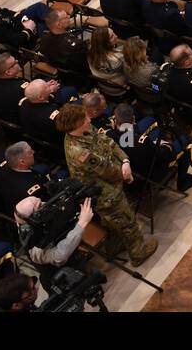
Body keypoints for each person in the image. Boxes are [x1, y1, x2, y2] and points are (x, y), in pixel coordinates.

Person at [57, 103, 158, 266]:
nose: (89, 119)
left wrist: (125, 160)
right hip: (105, 193)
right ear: (75, 124)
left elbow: (107, 141)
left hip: (111, 180)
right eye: (85, 118)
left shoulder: (84, 130)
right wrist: (125, 174)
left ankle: (116, 245)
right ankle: (138, 253)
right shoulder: (78, 151)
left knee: (113, 222)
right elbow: (107, 170)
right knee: (126, 222)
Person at [15, 195, 92, 267]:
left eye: (41, 201)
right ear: (33, 219)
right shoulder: (33, 247)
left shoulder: (34, 222)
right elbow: (60, 257)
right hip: (66, 271)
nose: (45, 204)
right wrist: (82, 223)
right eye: (40, 206)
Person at [38, 8, 90, 76]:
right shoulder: (78, 46)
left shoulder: (43, 39)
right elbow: (86, 65)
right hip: (77, 77)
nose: (69, 17)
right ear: (59, 25)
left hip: (59, 71)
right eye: (66, 17)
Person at [87, 28, 128, 100]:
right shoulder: (118, 59)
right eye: (112, 36)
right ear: (105, 42)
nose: (116, 36)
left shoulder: (89, 53)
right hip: (118, 89)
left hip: (103, 86)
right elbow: (130, 73)